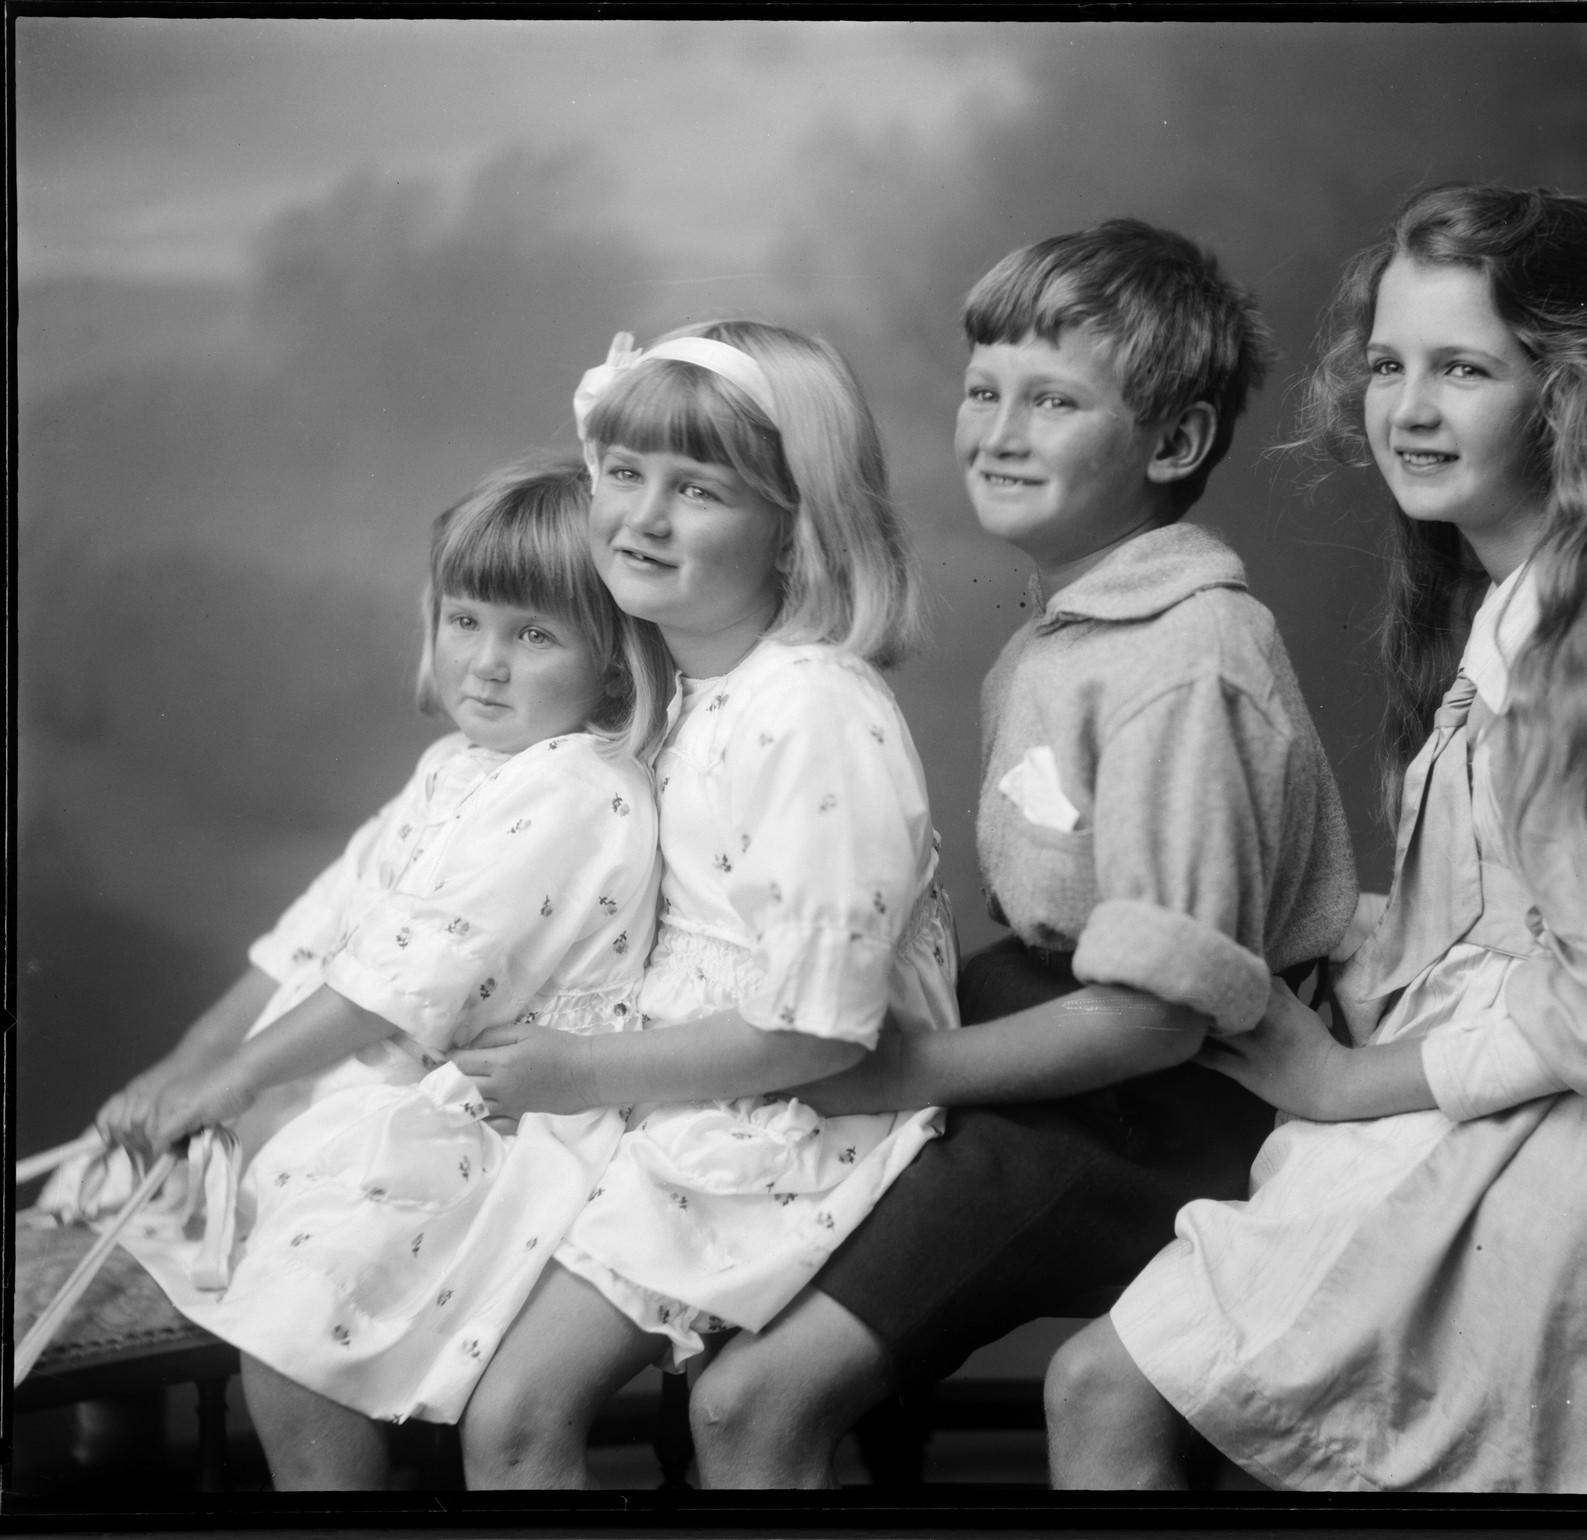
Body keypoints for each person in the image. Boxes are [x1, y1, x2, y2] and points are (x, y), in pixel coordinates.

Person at [1042, 183, 1587, 1493]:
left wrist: (1344, 1082)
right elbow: (1510, 909)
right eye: (1389, 365)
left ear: (1573, 400)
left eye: (1463, 369)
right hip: (1580, 1061)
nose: (1408, 407)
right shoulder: (1525, 597)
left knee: (1104, 1384)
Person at [684, 220, 1358, 1488]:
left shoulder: (1182, 659)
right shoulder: (1064, 633)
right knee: (729, 1202)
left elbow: (1159, 1017)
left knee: (747, 1404)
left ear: (1172, 442)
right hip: (1066, 1038)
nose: (997, 429)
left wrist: (905, 1072)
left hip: (1174, 1102)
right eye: (984, 390)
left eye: (1051, 400)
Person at [75, 453, 673, 1486]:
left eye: (533, 634)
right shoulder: (452, 769)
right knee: (125, 1194)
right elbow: (312, 940)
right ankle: (102, 1473)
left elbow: (402, 977)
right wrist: (186, 1064)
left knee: (292, 1342)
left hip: (493, 1124)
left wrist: (233, 1082)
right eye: (466, 620)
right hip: (375, 1087)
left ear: (614, 664)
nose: (485, 661)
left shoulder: (578, 787)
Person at [448, 321, 959, 1489]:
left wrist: (576, 1073)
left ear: (794, 523)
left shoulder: (812, 710)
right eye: (622, 475)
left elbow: (821, 1029)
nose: (642, 517)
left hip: (793, 1117)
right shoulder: (686, 691)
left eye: (698, 490)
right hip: (679, 1092)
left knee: (518, 1418)